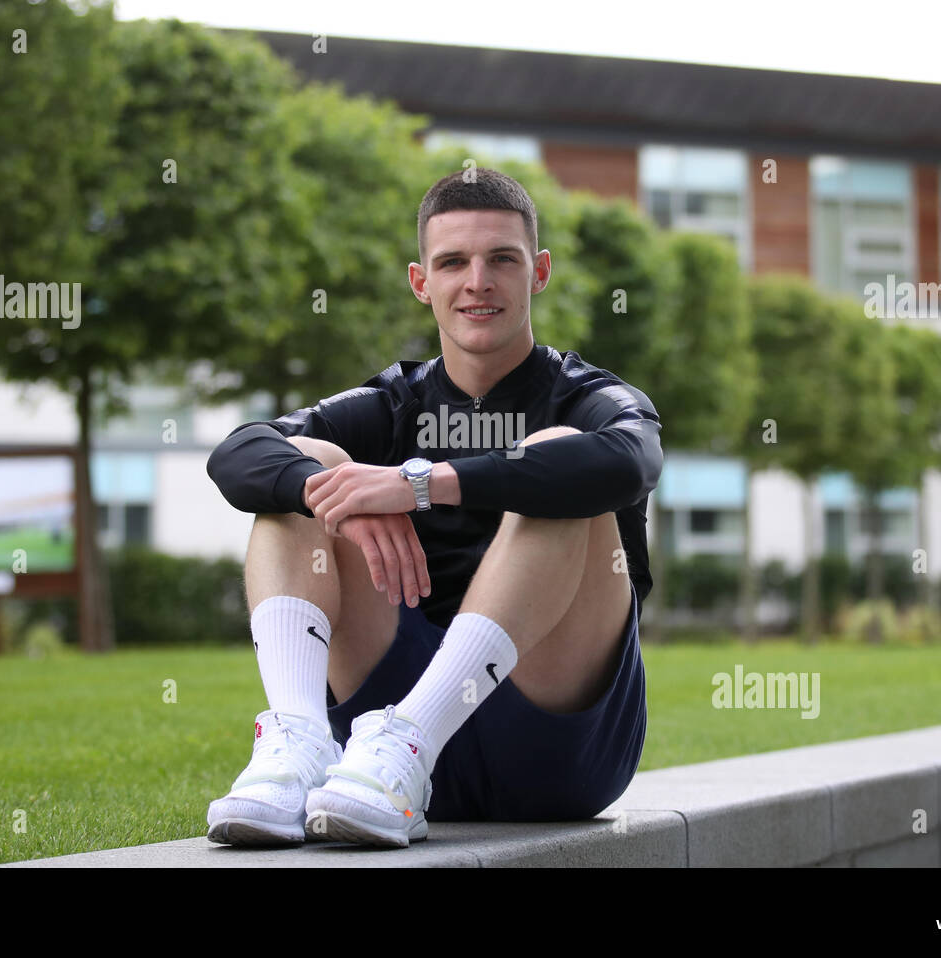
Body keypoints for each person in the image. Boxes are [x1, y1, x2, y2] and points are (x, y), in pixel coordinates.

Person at [204, 168, 662, 848]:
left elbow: (631, 459)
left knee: (563, 457)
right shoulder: (390, 403)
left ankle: (415, 735)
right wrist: (336, 495)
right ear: (422, 282)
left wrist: (420, 483)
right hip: (371, 755)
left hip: (554, 749)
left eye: (501, 260)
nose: (477, 282)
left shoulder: (588, 395)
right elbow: (238, 453)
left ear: (537, 272)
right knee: (311, 469)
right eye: (453, 262)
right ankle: (300, 744)